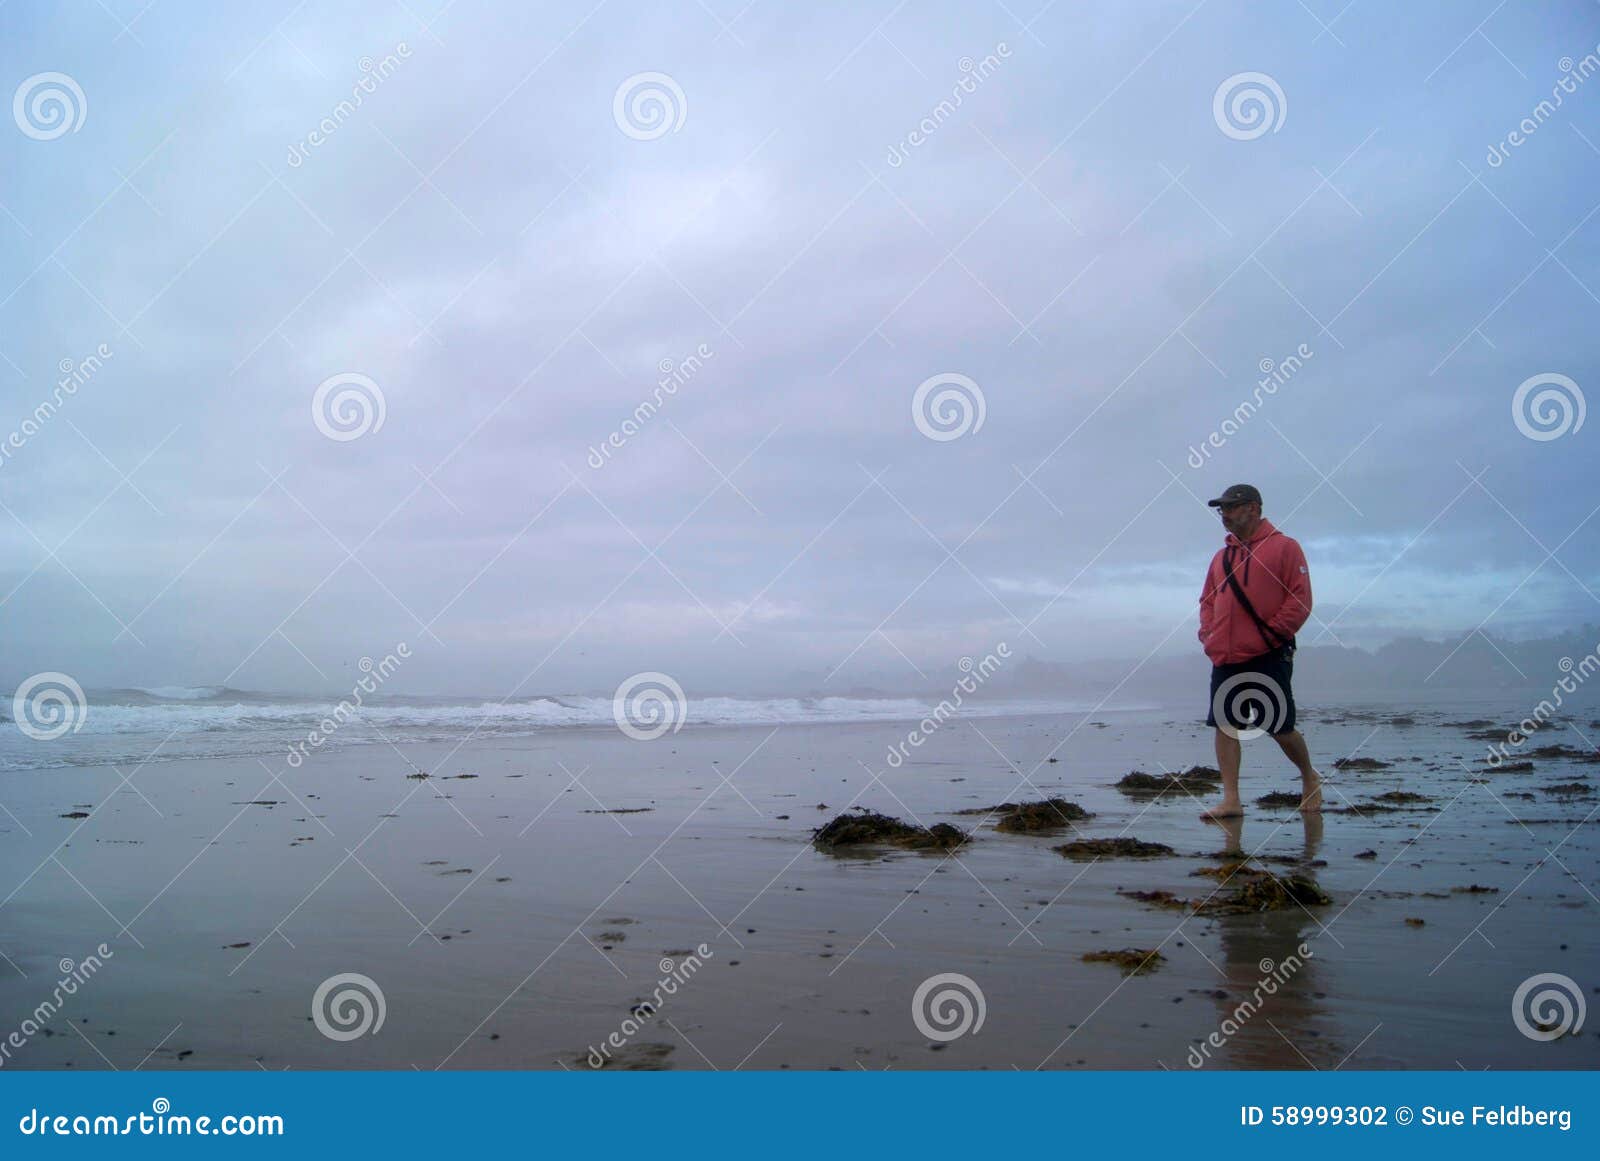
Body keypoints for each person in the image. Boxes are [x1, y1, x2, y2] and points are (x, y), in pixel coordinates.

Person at [1196, 484, 1321, 818]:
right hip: (1225, 655)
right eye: (1221, 509)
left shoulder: (1284, 548)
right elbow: (1207, 601)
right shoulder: (1221, 558)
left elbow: (1300, 600)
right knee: (1225, 724)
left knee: (1278, 725)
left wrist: (1272, 636)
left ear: (1253, 508)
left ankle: (1309, 777)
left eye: (1230, 508)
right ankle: (1231, 799)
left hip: (1268, 653)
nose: (1224, 514)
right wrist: (1208, 635)